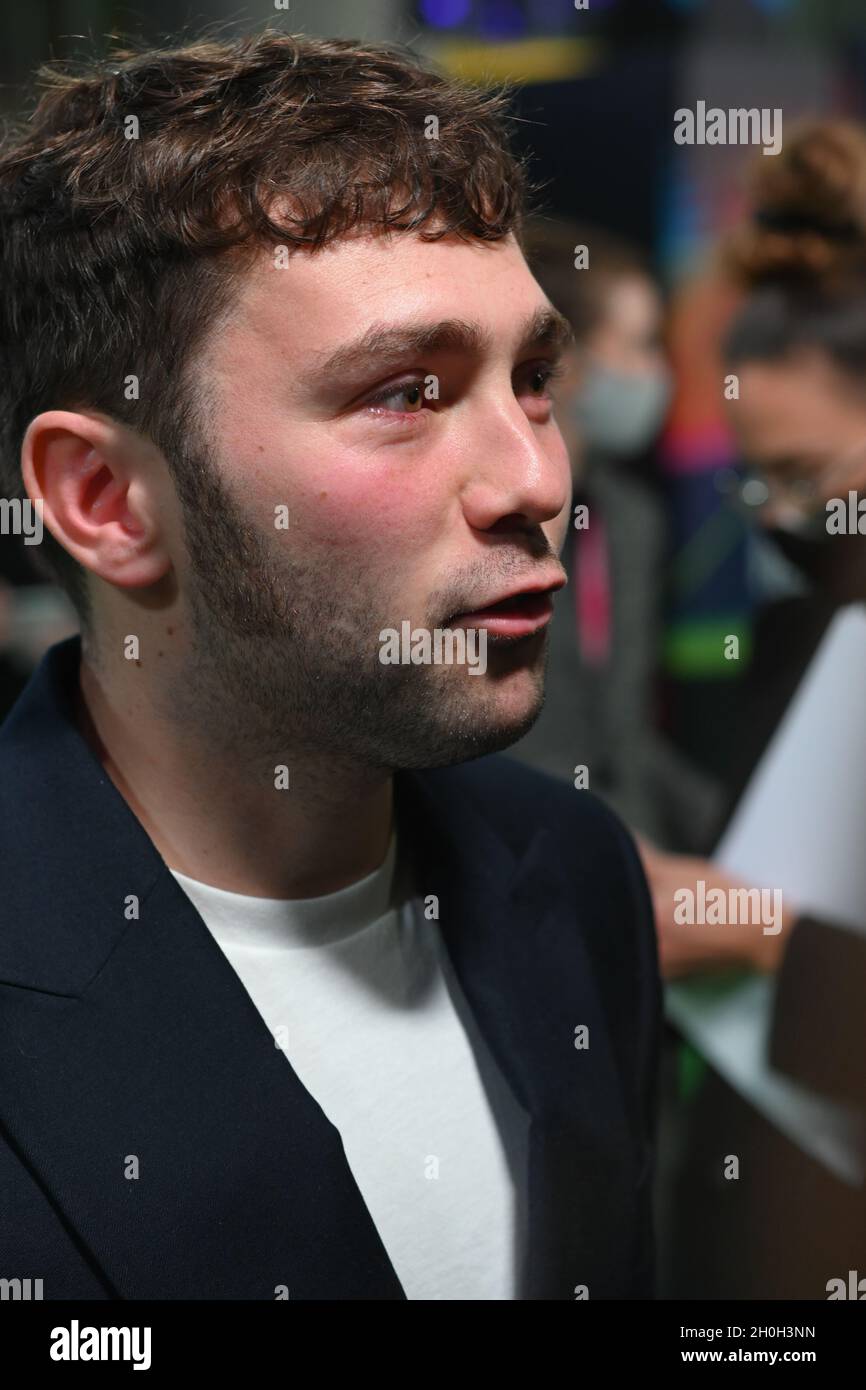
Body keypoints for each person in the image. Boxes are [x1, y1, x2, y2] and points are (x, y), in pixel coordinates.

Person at [0, 31, 661, 1301]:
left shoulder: (572, 874)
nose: (536, 480)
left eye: (532, 379)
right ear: (107, 500)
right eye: (407, 392)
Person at [643, 119, 866, 1298]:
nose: (778, 518)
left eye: (813, 478)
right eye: (754, 479)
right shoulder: (802, 620)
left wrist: (755, 935)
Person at [509, 219, 718, 850]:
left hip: (623, 845)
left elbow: (626, 736)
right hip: (525, 837)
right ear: (561, 359)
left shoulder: (631, 516)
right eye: (638, 345)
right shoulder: (503, 509)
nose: (657, 373)